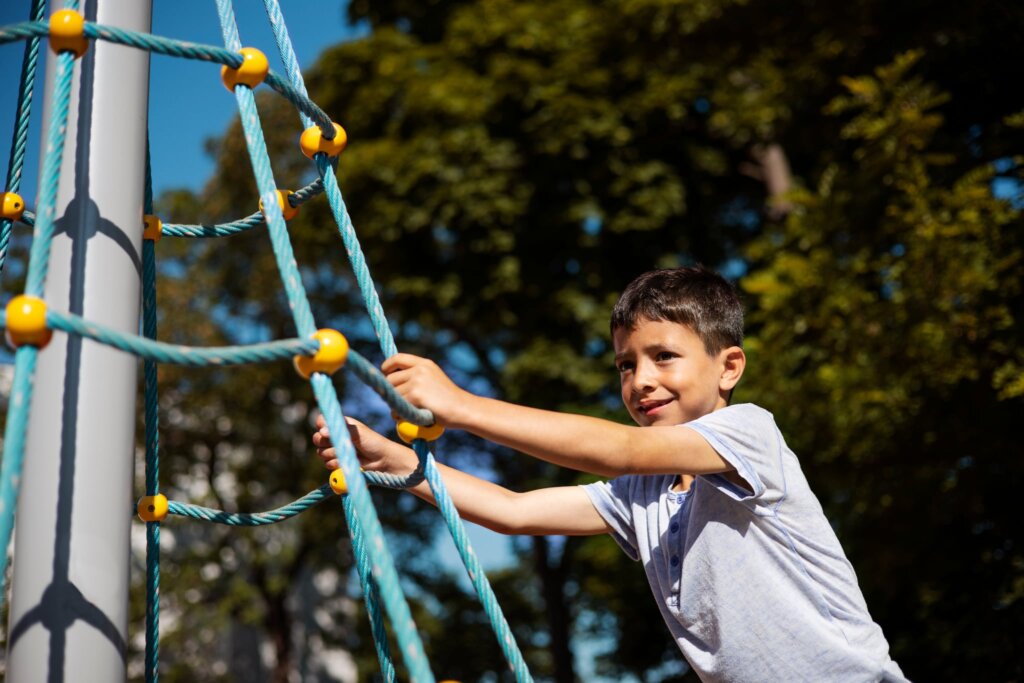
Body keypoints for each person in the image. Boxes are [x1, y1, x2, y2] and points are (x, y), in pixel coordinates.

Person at [312, 266, 907, 682]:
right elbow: (515, 512)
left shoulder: (749, 434)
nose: (641, 379)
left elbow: (618, 449)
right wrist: (397, 461)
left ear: (729, 367)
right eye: (626, 365)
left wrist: (460, 404)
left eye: (663, 356)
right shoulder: (642, 497)